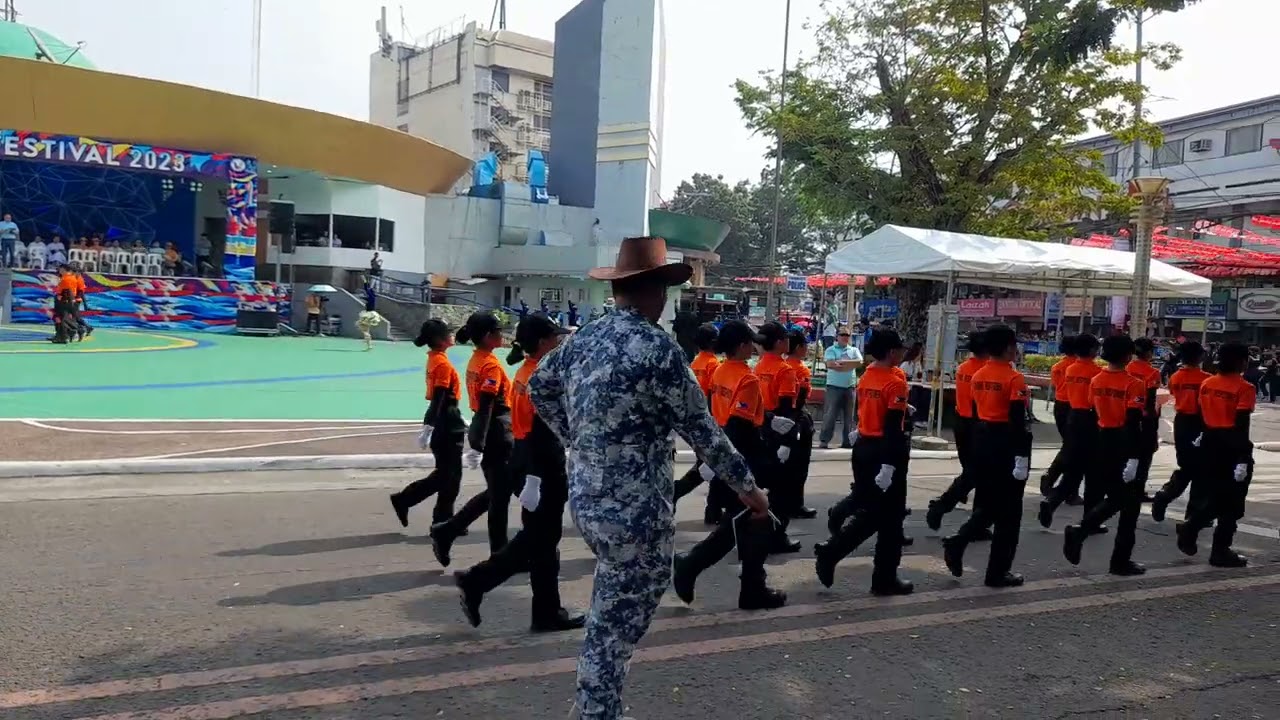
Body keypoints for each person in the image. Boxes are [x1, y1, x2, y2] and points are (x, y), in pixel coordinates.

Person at [526, 236, 768, 720]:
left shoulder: (584, 339)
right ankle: (595, 710)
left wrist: (577, 438)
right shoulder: (658, 348)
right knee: (617, 619)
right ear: (656, 291)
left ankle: (596, 703)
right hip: (634, 507)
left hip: (588, 495)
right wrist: (748, 488)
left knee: (622, 596)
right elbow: (702, 429)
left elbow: (538, 387)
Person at [454, 314, 585, 632]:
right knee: (539, 539)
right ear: (541, 343)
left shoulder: (527, 371)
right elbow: (542, 431)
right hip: (541, 465)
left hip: (526, 459)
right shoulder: (541, 377)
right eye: (554, 337)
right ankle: (477, 581)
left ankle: (546, 612)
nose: (558, 342)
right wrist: (536, 479)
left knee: (541, 543)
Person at [672, 319, 788, 610]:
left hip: (723, 448)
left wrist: (769, 419)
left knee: (739, 522)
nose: (754, 347)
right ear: (742, 346)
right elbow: (740, 425)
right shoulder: (747, 379)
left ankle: (744, 583)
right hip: (743, 457)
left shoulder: (720, 371)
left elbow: (718, 413)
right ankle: (744, 585)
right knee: (756, 517)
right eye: (750, 343)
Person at [813, 328, 914, 595]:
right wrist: (890, 465)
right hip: (884, 451)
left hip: (864, 448)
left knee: (874, 513)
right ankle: (881, 577)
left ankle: (836, 553)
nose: (903, 353)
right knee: (889, 519)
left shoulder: (867, 375)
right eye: (900, 349)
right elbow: (892, 428)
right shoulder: (895, 382)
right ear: (892, 352)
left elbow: (869, 411)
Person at [940, 325, 1031, 588]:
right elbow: (1018, 421)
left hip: (983, 438)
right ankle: (997, 572)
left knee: (992, 505)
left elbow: (977, 409)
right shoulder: (1014, 379)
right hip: (1006, 443)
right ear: (1008, 348)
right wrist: (1021, 457)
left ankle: (959, 542)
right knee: (1010, 513)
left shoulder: (978, 375)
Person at [429, 311, 514, 563]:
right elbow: (487, 405)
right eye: (498, 331)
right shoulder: (490, 365)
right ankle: (453, 533)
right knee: (499, 495)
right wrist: (478, 443)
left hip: (490, 428)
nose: (502, 335)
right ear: (488, 336)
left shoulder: (477, 359)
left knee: (499, 493)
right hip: (497, 430)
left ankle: (494, 550)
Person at [1062, 334, 1148, 576]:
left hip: (1102, 438)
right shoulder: (1134, 384)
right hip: (1124, 442)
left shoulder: (1096, 380)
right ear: (1128, 356)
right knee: (1128, 503)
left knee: (1117, 496)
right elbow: (1133, 421)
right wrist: (1134, 456)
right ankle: (1115, 557)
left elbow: (1093, 408)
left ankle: (1086, 532)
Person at [1175, 342, 1254, 568]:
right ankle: (1219, 550)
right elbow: (1241, 425)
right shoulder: (1245, 388)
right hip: (1232, 446)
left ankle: (1192, 527)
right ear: (1242, 362)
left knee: (1217, 496)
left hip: (1210, 443)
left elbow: (1201, 414)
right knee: (1233, 502)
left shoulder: (1207, 383)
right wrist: (1243, 458)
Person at [389, 320, 466, 529]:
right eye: (448, 333)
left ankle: (442, 519)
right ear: (440, 340)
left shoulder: (435, 359)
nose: (452, 335)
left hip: (447, 418)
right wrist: (428, 427)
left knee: (449, 475)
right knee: (448, 476)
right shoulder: (442, 364)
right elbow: (439, 399)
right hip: (447, 421)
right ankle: (406, 500)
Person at [925, 331, 993, 533]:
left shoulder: (963, 368)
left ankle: (976, 522)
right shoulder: (984, 371)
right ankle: (943, 505)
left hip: (961, 422)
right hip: (977, 424)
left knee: (977, 474)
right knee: (978, 474)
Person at [1039, 333, 1102, 528]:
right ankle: (1087, 515)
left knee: (1072, 456)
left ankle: (1054, 495)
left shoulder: (1066, 368)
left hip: (1070, 411)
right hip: (1089, 417)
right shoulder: (1097, 372)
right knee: (1088, 466)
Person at [753, 320, 804, 554]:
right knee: (782, 490)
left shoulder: (759, 366)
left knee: (762, 484)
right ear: (780, 343)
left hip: (760, 428)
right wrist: (788, 441)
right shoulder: (785, 370)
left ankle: (759, 533)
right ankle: (777, 536)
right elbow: (787, 410)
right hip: (778, 432)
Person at [1151, 341, 1210, 523]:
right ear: (1199, 356)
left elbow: (1173, 393)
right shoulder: (1207, 379)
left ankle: (1166, 495)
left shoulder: (1176, 377)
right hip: (1201, 422)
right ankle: (1192, 513)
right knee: (1202, 469)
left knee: (1187, 465)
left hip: (1182, 422)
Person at [673, 323, 725, 524]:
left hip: (693, 420)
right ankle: (708, 507)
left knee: (708, 465)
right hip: (709, 419)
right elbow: (713, 395)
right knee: (712, 466)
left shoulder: (696, 363)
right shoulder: (714, 365)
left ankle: (712, 509)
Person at [784, 330, 818, 519]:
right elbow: (801, 398)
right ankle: (796, 504)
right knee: (800, 466)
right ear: (798, 348)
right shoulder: (800, 369)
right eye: (805, 346)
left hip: (779, 418)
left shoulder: (781, 366)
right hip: (798, 419)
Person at [1040, 335, 1078, 495]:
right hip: (1075, 407)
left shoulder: (1057, 366)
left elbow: (1056, 385)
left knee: (1070, 445)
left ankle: (1056, 481)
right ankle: (1053, 478)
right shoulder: (1079, 367)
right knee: (1073, 447)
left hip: (1060, 406)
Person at [1127, 338, 1163, 503]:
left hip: (1126, 414)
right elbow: (1150, 399)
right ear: (1149, 352)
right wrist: (1151, 421)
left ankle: (1124, 486)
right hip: (1144, 417)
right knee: (1145, 453)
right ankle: (1138, 490)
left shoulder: (1127, 368)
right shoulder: (1153, 372)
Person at [819, 327, 863, 448]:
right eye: (842, 334)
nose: (845, 337)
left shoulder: (854, 350)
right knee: (830, 415)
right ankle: (824, 440)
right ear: (837, 336)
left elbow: (859, 362)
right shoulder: (831, 349)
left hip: (850, 387)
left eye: (847, 335)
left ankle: (848, 441)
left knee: (849, 417)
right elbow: (830, 364)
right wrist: (848, 364)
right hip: (834, 387)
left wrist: (840, 363)